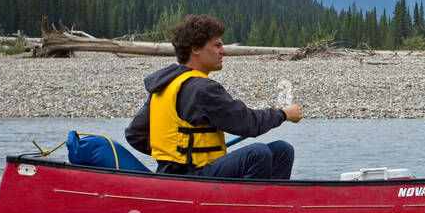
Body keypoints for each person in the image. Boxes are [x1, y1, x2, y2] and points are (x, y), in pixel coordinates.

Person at [125, 14, 302, 179]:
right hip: (191, 177)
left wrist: (173, 154)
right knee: (258, 153)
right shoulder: (202, 89)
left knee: (281, 150)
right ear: (195, 49)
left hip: (173, 174)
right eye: (217, 45)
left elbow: (134, 134)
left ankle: (273, 204)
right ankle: (248, 208)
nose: (224, 51)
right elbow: (248, 123)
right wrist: (283, 114)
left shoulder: (166, 84)